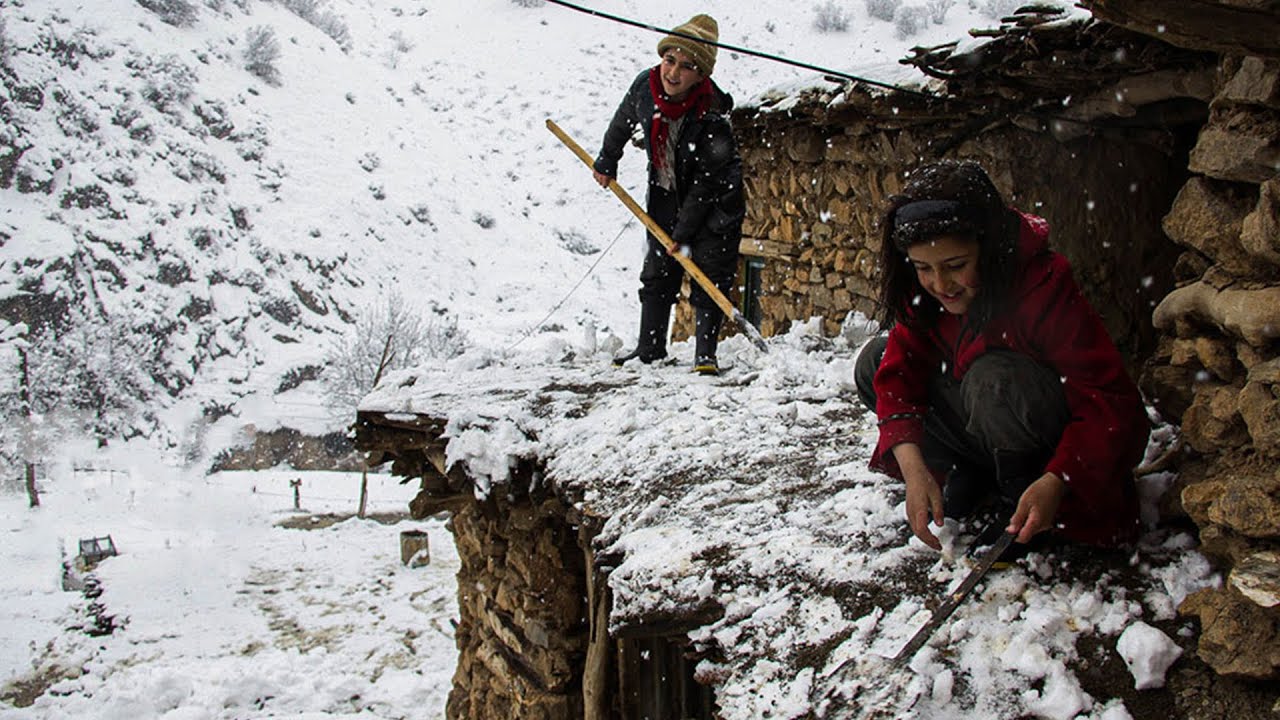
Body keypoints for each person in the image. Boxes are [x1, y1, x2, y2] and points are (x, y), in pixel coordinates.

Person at [853, 159, 1149, 556]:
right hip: (984, 430)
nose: (940, 284)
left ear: (988, 249)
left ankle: (1022, 502)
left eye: (955, 266)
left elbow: (1110, 403)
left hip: (1046, 443)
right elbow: (899, 377)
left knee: (994, 379)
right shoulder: (924, 292)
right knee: (876, 359)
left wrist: (1057, 479)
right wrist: (914, 468)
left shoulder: (1042, 285)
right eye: (923, 268)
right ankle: (967, 472)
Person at [592, 13, 744, 376]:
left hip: (715, 202)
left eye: (686, 66)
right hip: (664, 189)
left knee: (710, 267)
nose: (673, 72)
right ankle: (650, 347)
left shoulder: (713, 114)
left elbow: (708, 182)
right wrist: (607, 159)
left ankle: (705, 354)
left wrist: (682, 232)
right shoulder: (645, 89)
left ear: (701, 74)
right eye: (669, 59)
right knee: (658, 269)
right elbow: (622, 121)